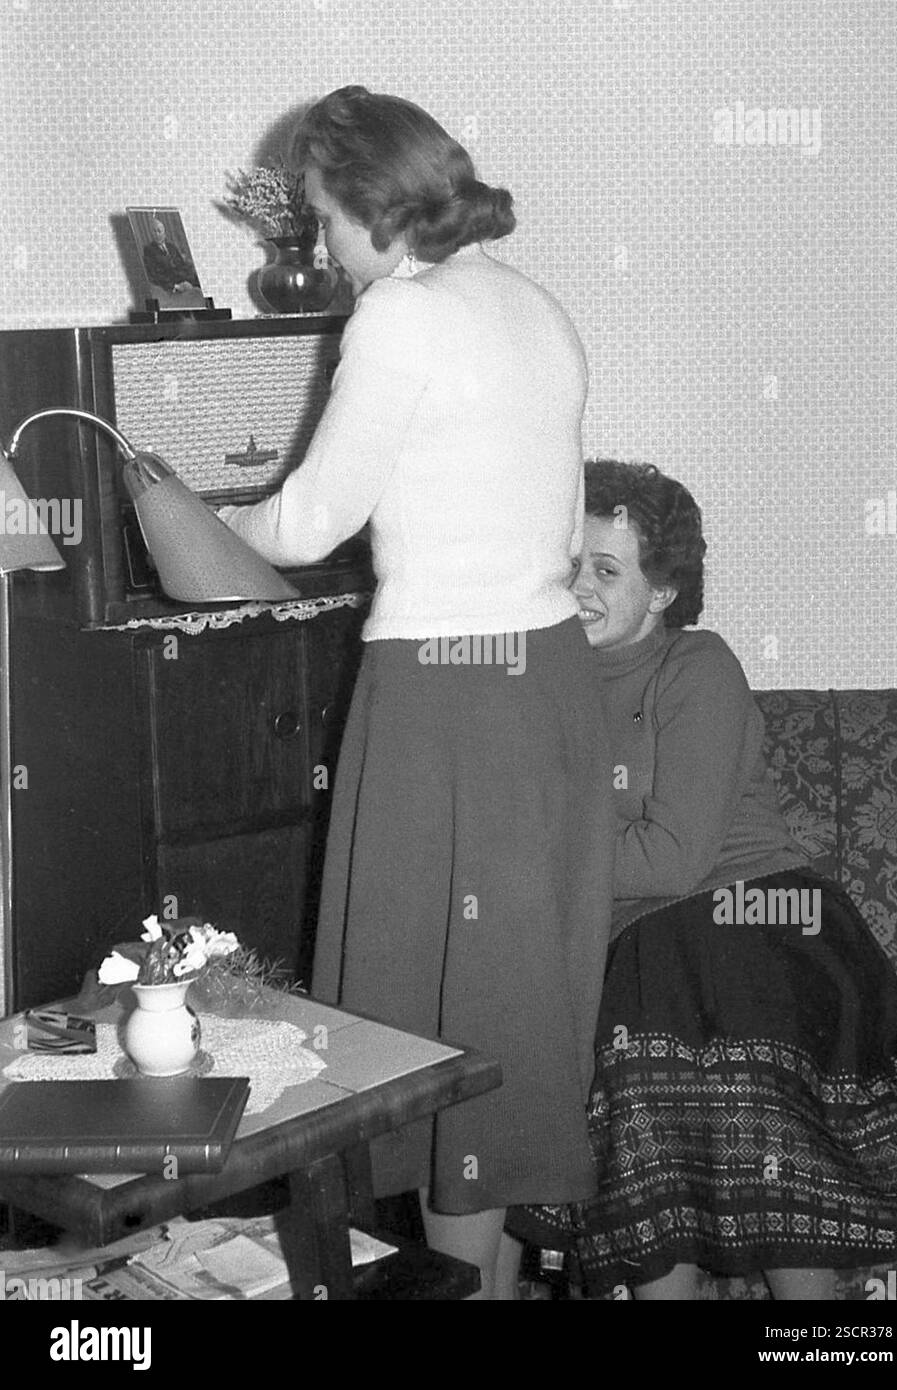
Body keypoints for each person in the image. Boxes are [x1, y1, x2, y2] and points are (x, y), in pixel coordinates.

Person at [217, 86, 615, 1299]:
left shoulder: (399, 313)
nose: (324, 250)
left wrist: (190, 515)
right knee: (498, 1024)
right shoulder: (532, 304)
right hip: (544, 687)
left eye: (326, 220)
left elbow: (309, 520)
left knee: (444, 1034)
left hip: (449, 695)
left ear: (373, 204)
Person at [505, 459, 897, 1300]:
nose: (580, 589)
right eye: (570, 566)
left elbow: (673, 857)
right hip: (642, 955)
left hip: (761, 925)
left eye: (607, 569)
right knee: (638, 1053)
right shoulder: (535, 687)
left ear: (663, 590)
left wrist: (531, 862)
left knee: (729, 1070)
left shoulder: (696, 665)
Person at [142, 216, 201, 295]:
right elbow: (155, 275)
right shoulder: (149, 250)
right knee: (197, 294)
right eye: (154, 231)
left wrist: (190, 279)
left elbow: (182, 265)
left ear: (164, 232)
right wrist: (176, 286)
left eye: (159, 231)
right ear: (151, 233)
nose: (157, 234)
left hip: (186, 279)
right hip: (172, 285)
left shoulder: (171, 246)